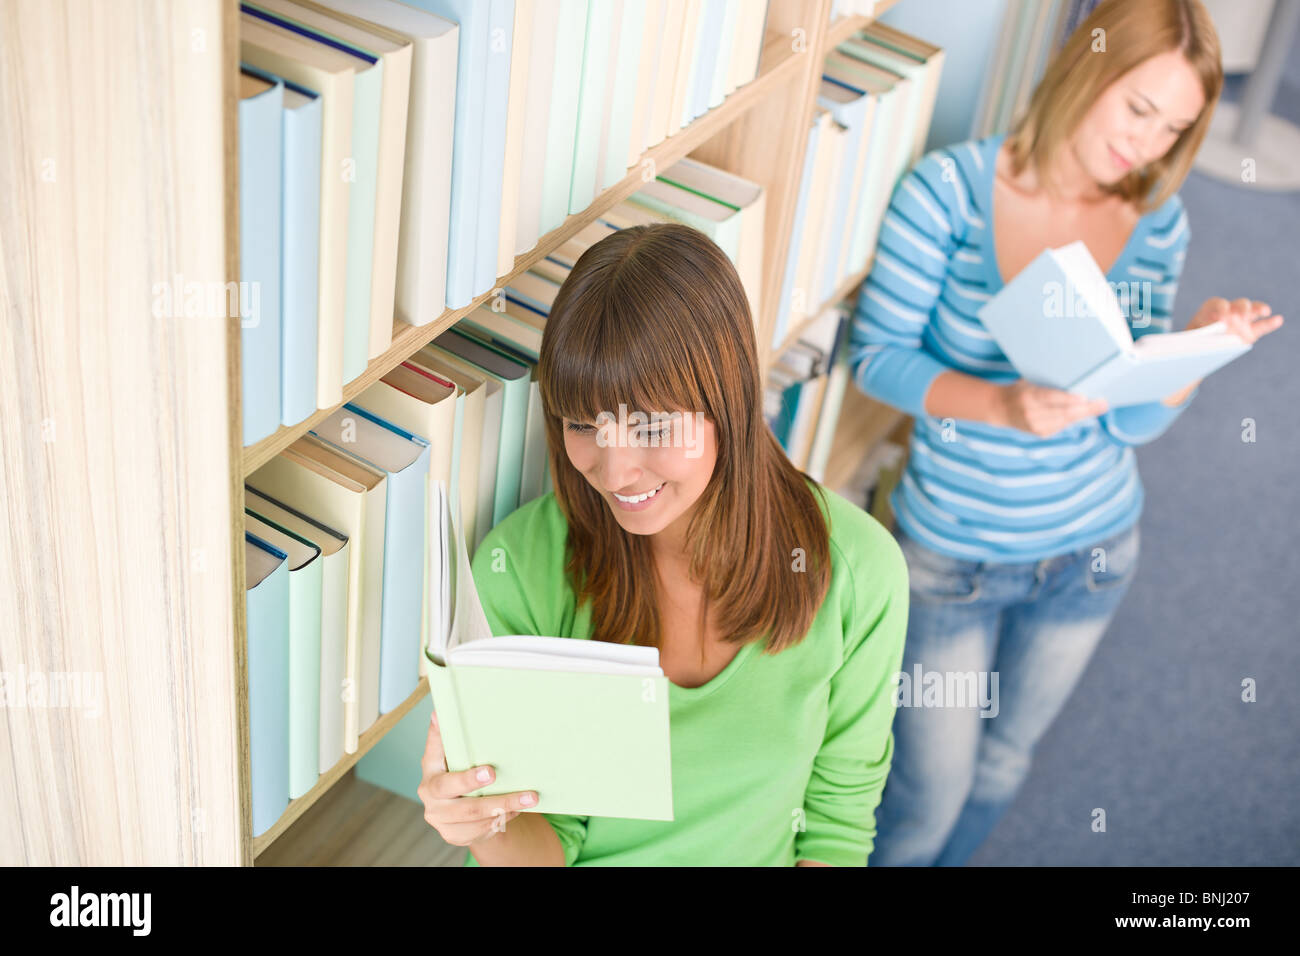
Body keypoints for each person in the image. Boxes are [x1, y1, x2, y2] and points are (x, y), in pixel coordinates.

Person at [849, 0, 1283, 866]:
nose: (1148, 144)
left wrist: (1192, 354)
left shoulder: (1157, 221)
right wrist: (1000, 405)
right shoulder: (949, 192)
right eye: (1137, 107)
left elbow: (1128, 419)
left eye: (1174, 127)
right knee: (924, 797)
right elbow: (876, 360)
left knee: (1003, 764)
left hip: (1092, 550)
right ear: (1088, 68)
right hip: (953, 556)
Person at [417, 222, 910, 866]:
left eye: (650, 424)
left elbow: (835, 828)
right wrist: (481, 825)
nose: (616, 473)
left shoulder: (860, 572)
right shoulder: (521, 571)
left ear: (726, 402)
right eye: (584, 424)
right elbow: (548, 846)